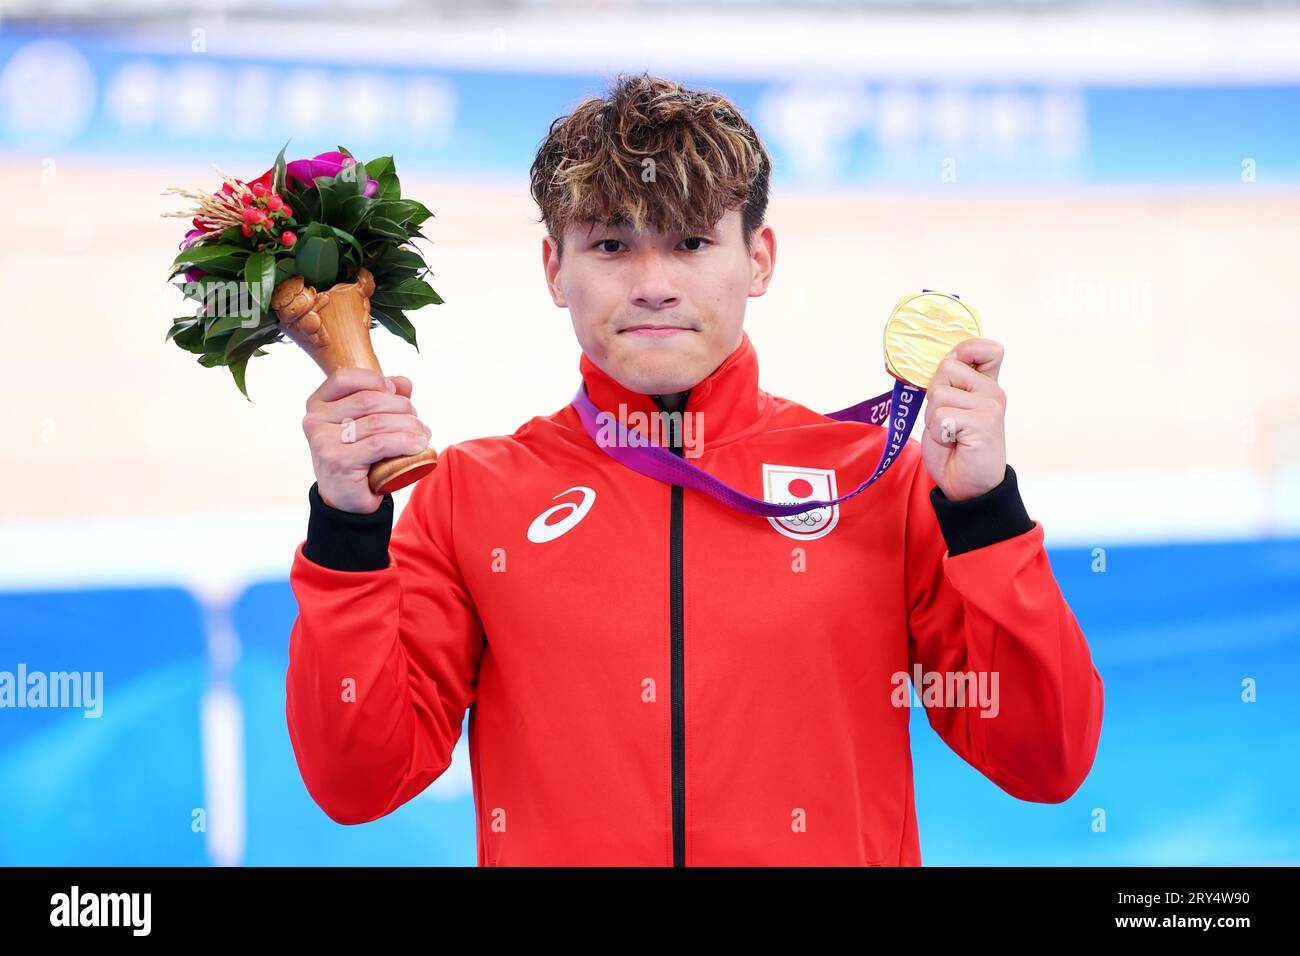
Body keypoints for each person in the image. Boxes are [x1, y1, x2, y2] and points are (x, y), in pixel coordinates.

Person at [286, 71, 1104, 866]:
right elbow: (360, 782)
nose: (652, 285)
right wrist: (347, 534)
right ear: (553, 271)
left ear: (759, 259)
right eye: (611, 244)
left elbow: (1046, 759)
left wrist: (986, 514)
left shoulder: (879, 481)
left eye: (691, 242)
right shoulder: (472, 495)